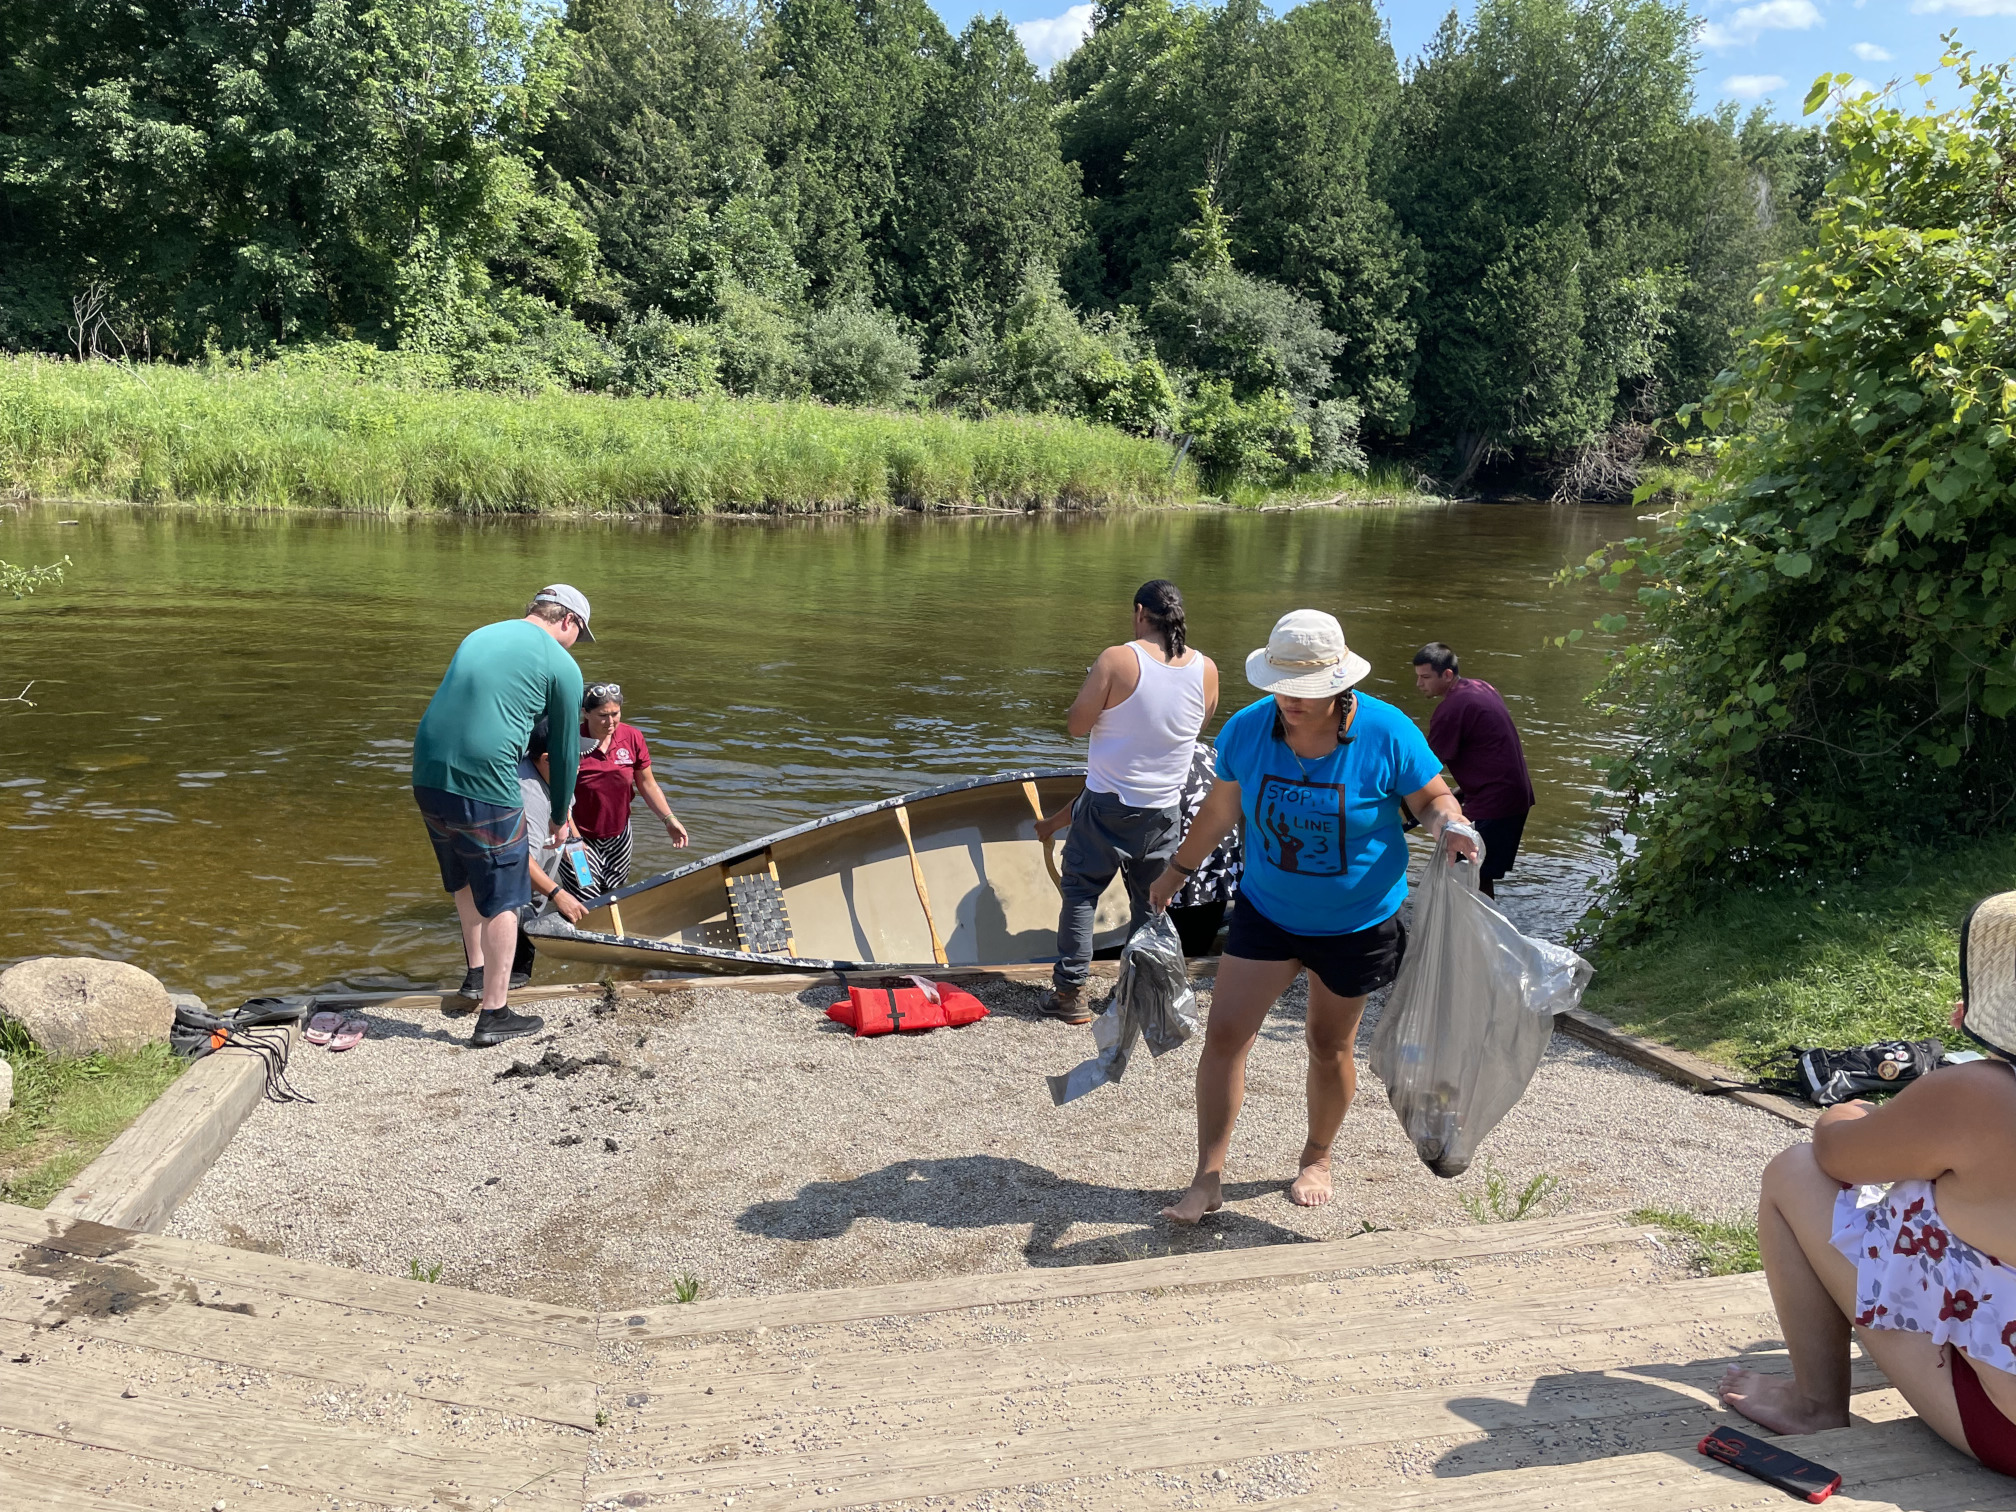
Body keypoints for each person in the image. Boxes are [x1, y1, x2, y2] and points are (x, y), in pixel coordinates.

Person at [1148, 609, 1478, 1223]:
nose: (1290, 700)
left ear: (1340, 685)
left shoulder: (1387, 731)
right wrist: (1175, 871)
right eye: (1280, 684)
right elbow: (1221, 813)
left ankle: (1317, 1157)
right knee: (1224, 1036)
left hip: (1358, 921)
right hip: (1268, 911)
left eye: (1305, 689)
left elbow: (1431, 799)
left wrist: (1451, 825)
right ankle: (1208, 1177)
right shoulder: (1249, 729)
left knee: (1328, 1044)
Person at [1717, 896, 2016, 1476]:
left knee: (1793, 1170)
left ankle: (1815, 1405)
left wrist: (1849, 1113)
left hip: (2004, 1431)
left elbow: (1838, 1158)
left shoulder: (1981, 1097)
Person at [412, 585, 592, 1049]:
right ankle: (494, 1012)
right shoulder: (562, 665)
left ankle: (475, 976)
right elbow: (567, 753)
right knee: (507, 895)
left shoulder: (482, 633)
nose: (576, 645)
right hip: (485, 779)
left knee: (465, 878)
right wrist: (559, 814)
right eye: (579, 634)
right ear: (567, 621)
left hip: (427, 771)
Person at [1040, 580, 1219, 1025]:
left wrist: (1097, 691)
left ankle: (1071, 993)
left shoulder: (1117, 659)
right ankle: (1138, 994)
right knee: (1151, 902)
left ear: (1140, 612)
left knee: (1080, 892)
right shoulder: (1206, 668)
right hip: (1165, 809)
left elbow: (1076, 726)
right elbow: (1196, 726)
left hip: (1108, 803)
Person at [1036, 740, 1243, 960]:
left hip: (1172, 876)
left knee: (1157, 948)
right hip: (1221, 875)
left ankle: (1083, 969)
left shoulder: (1141, 755)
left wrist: (1048, 826)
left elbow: (1091, 802)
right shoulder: (1211, 754)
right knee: (1190, 951)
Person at [1411, 642, 1534, 898]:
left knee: (1470, 873)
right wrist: (1458, 793)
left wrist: (1401, 802)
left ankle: (1477, 932)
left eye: (1425, 677)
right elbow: (1488, 754)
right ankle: (1481, 929)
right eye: (1417, 677)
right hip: (1513, 795)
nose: (1419, 684)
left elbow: (1425, 769)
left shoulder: (1452, 708)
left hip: (1495, 802)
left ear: (1446, 675)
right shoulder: (1480, 687)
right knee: (1478, 872)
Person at [571, 682, 689, 896]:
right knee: (585, 898)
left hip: (619, 837)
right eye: (603, 715)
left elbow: (647, 783)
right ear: (585, 713)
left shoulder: (632, 737)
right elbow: (555, 795)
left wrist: (669, 818)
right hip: (578, 836)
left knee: (614, 895)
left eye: (615, 714)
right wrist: (572, 839)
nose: (610, 722)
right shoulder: (571, 742)